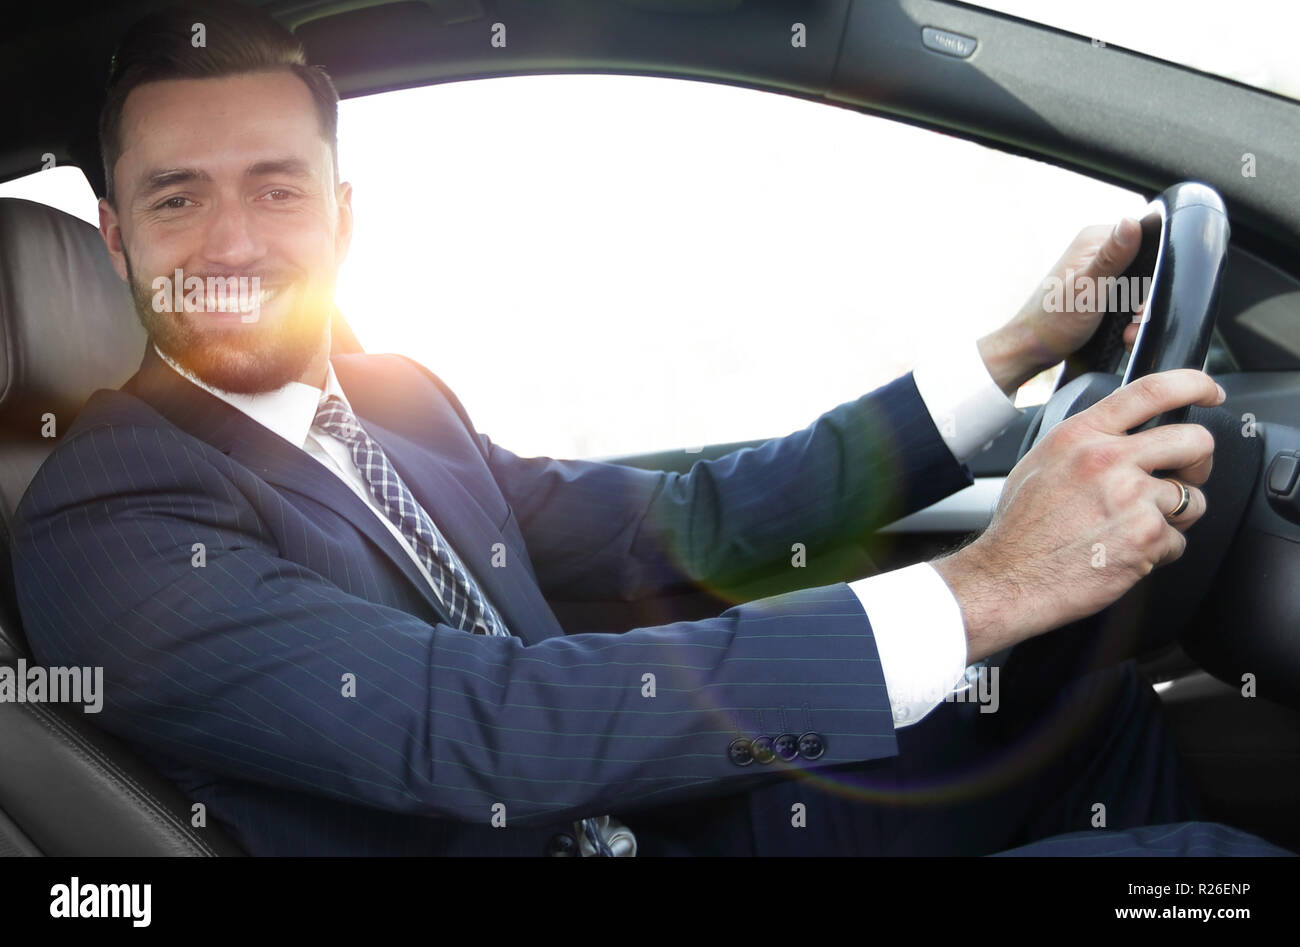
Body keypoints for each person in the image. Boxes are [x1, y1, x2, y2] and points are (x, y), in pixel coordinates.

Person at [10, 1, 1290, 856]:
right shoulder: (107, 514)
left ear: (341, 218)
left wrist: (1004, 357)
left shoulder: (390, 394)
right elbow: (477, 727)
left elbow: (684, 522)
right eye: (176, 201)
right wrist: (988, 586)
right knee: (1208, 870)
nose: (233, 243)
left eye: (274, 189)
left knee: (1098, 708)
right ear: (117, 237)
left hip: (652, 821)